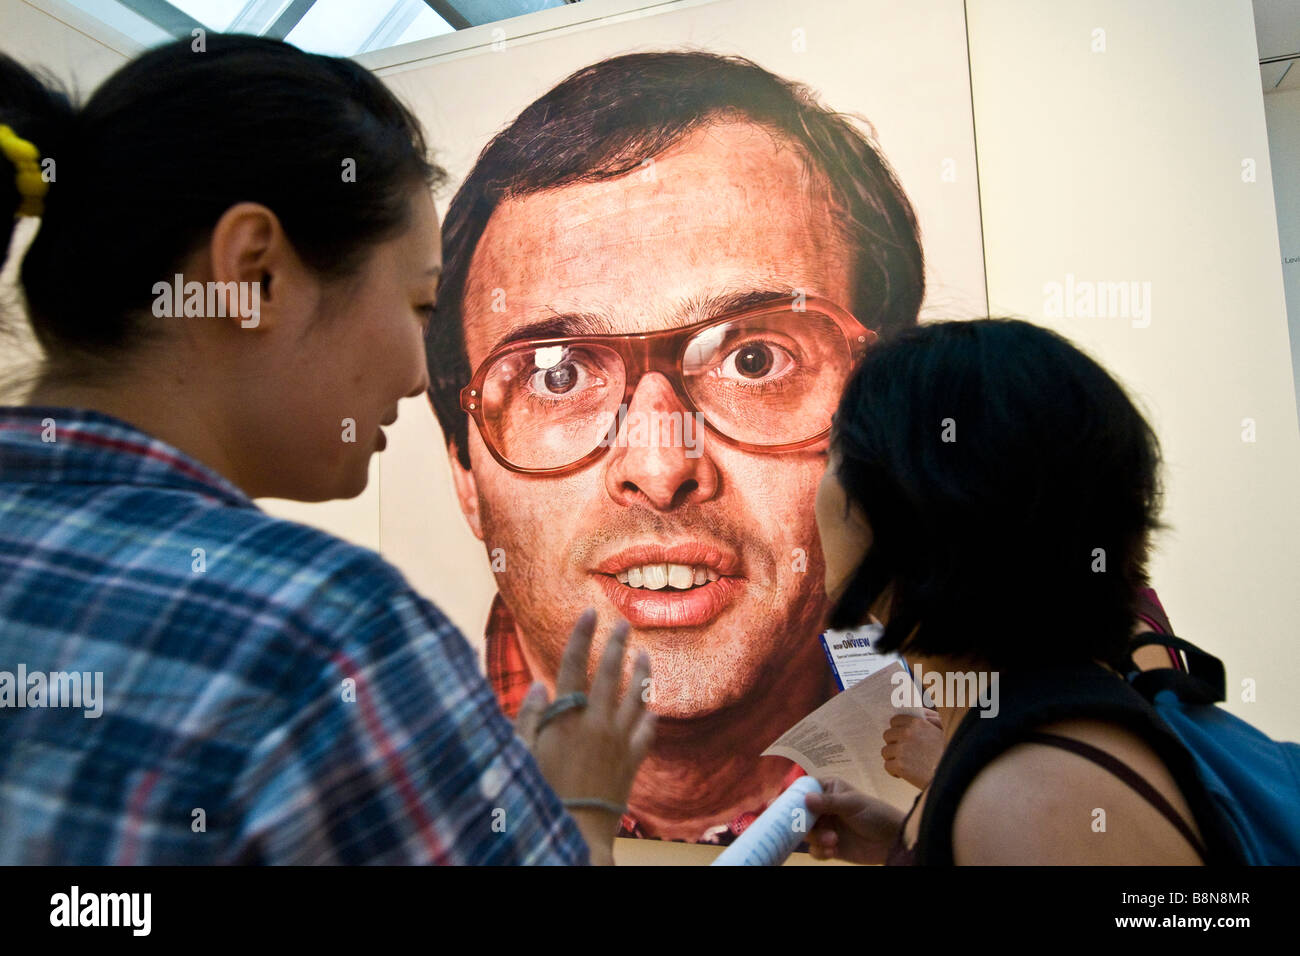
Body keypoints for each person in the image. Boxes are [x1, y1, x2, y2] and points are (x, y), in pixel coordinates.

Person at [0, 36, 653, 865]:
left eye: (751, 359)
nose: (423, 377)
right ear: (254, 274)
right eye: (421, 304)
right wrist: (579, 811)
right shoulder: (327, 635)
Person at [424, 50, 925, 842]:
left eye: (755, 359)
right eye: (556, 376)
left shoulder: (1004, 766)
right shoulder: (351, 800)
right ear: (464, 468)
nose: (660, 470)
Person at [806, 318, 1241, 865]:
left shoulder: (1028, 798)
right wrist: (905, 841)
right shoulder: (1026, 751)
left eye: (834, 454)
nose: (821, 488)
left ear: (915, 504)